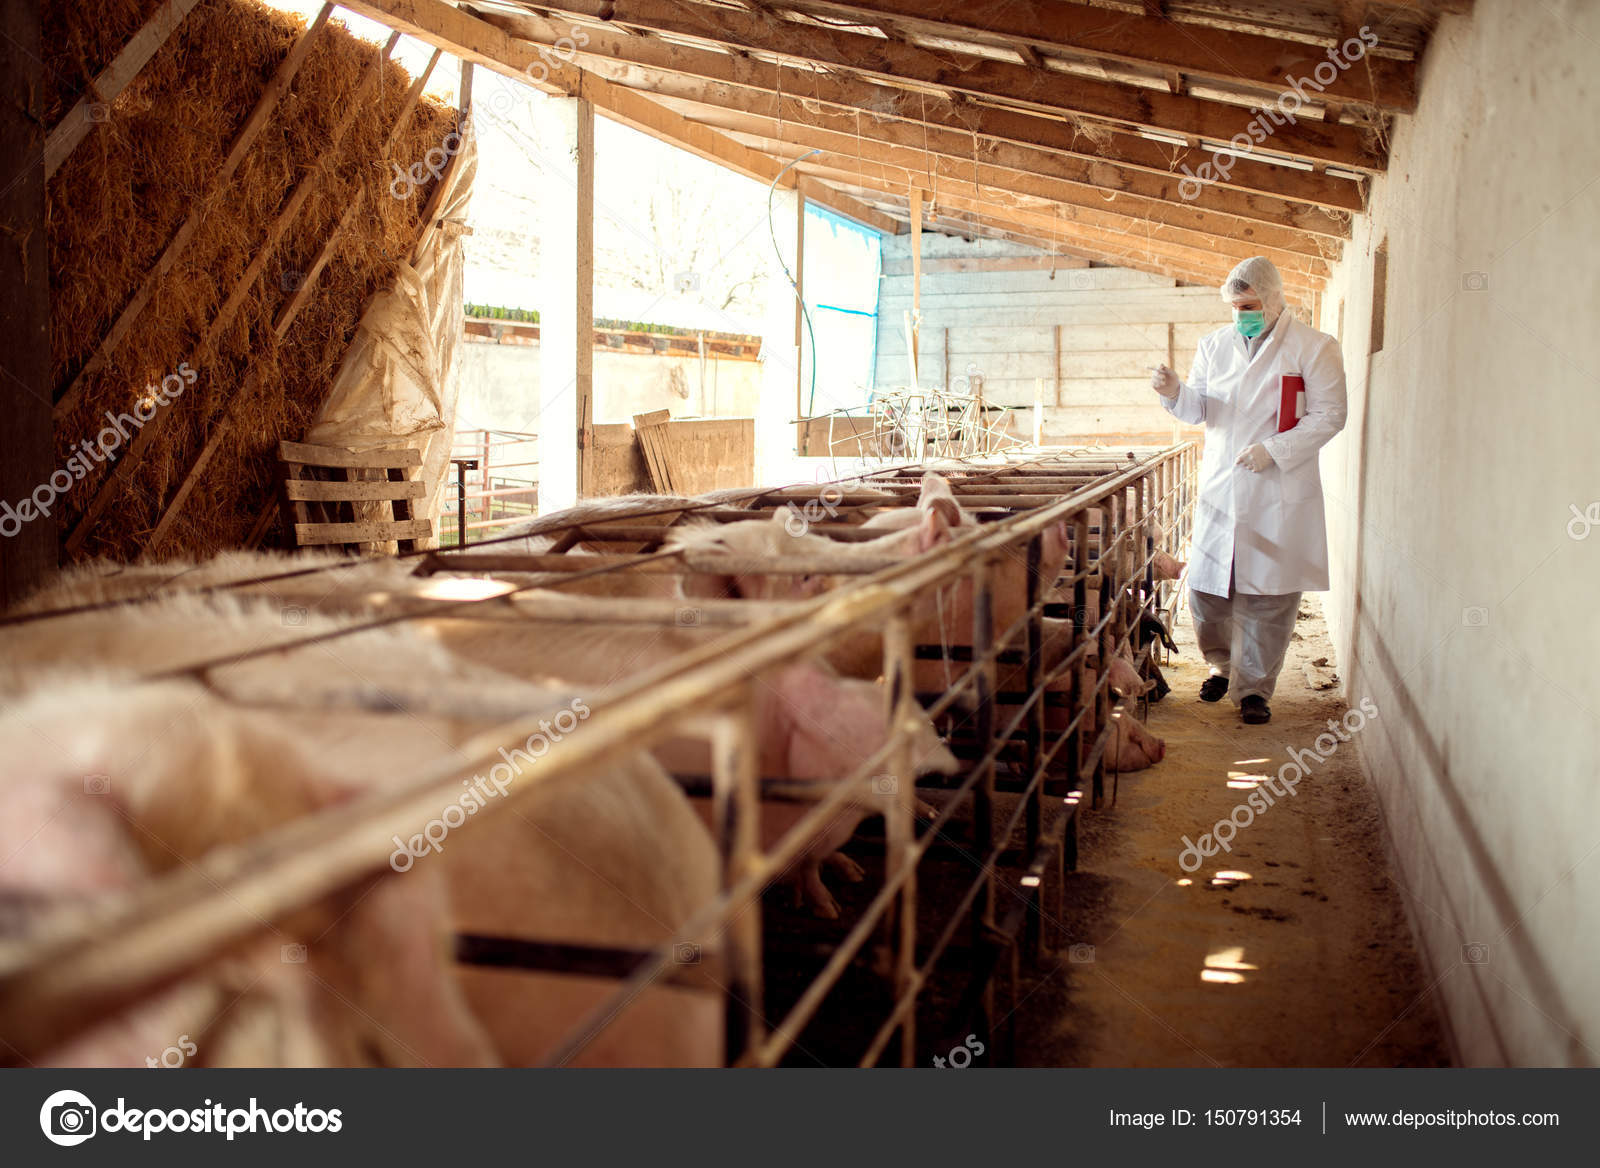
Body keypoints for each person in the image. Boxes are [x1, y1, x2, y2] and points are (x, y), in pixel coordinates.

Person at [1149, 256, 1347, 725]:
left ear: (1275, 299)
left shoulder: (1314, 347)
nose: (1242, 314)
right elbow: (1200, 410)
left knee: (1267, 596)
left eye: (1250, 304)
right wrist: (1174, 391)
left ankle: (1255, 690)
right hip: (1222, 484)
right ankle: (1222, 666)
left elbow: (1330, 415)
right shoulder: (1214, 346)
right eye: (1236, 306)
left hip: (1277, 487)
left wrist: (1274, 451)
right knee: (1208, 593)